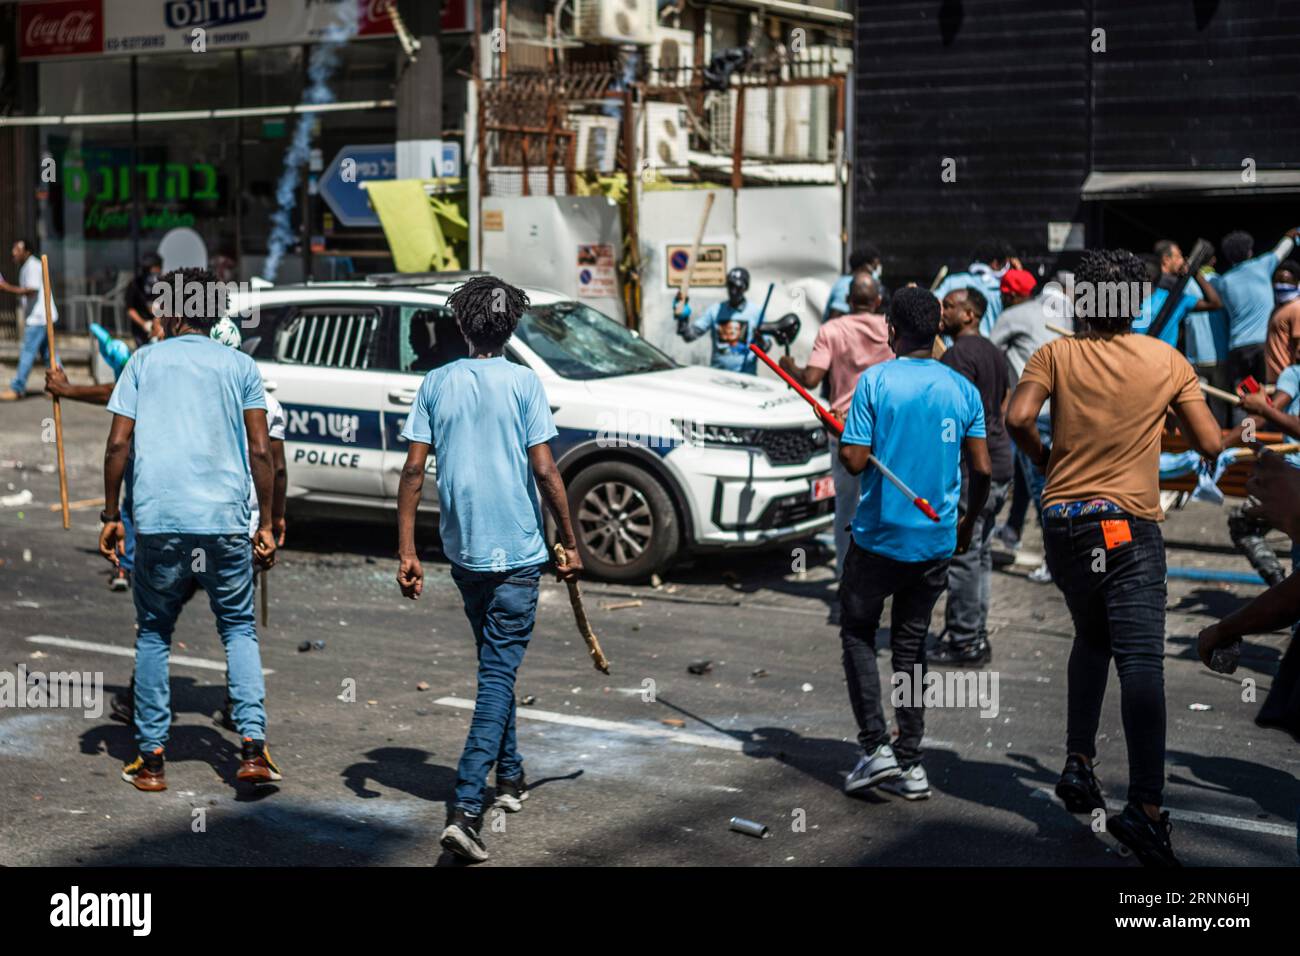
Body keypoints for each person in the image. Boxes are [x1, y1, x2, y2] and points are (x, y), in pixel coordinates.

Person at [1006, 248, 1223, 868]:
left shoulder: (1055, 355)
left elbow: (1018, 416)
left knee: (1092, 637)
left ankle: (1079, 762)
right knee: (1141, 662)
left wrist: (1047, 461)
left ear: (1083, 304)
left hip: (1065, 526)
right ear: (1139, 305)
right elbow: (1207, 441)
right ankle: (1147, 810)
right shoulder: (1167, 360)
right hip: (1128, 529)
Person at [395, 275, 582, 864]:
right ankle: (467, 808)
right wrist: (570, 541)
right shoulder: (524, 384)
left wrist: (406, 551)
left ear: (461, 323)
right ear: (511, 326)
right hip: (519, 553)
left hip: (465, 553)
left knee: (494, 665)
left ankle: (512, 775)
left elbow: (412, 472)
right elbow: (548, 471)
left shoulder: (436, 383)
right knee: (497, 675)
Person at [101, 268, 280, 793]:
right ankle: (251, 749)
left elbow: (117, 446)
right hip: (224, 521)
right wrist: (266, 522)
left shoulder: (142, 362)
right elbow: (261, 449)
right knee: (238, 628)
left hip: (158, 522)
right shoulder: (240, 367)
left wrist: (111, 515)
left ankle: (152, 759)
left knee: (155, 632)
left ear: (176, 312)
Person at [836, 287, 990, 802]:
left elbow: (855, 463)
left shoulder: (875, 381)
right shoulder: (961, 388)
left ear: (890, 330)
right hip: (935, 541)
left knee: (858, 632)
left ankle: (876, 747)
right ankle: (911, 762)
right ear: (939, 330)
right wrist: (966, 523)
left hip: (879, 539)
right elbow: (983, 469)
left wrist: (839, 436)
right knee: (910, 645)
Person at [779, 272, 893, 584]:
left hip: (844, 429)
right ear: (878, 300)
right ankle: (880, 574)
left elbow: (811, 379)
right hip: (885, 429)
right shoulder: (890, 328)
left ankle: (847, 575)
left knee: (847, 506)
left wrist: (790, 368)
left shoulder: (832, 330)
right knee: (883, 505)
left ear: (849, 301)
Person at [932, 287, 1012, 666]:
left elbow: (952, 409)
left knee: (964, 553)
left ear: (969, 314)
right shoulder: (994, 351)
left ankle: (964, 641)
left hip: (973, 467)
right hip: (1000, 462)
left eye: (948, 306)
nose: (942, 312)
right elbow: (1009, 397)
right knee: (979, 553)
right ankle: (974, 634)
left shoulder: (960, 355)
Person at [988, 268, 1069, 584]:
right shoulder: (1054, 311)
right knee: (1027, 475)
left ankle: (1054, 562)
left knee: (1041, 489)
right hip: (1060, 408)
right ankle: (1012, 530)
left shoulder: (1012, 316)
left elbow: (990, 355)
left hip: (1034, 411)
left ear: (1007, 295)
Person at [1216, 228, 1299, 402]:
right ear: (1249, 251)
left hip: (1236, 348)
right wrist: (1290, 235)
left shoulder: (1223, 281)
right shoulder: (1262, 265)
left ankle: (1247, 429)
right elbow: (1282, 250)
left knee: (1243, 398)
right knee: (1266, 397)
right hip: (1262, 346)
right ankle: (1264, 428)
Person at [674, 267, 766, 374]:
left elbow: (766, 347)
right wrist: (682, 318)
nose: (733, 291)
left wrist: (761, 342)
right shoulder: (715, 311)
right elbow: (689, 336)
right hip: (719, 377)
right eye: (731, 286)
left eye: (738, 287)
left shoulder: (756, 312)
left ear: (745, 288)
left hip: (746, 377)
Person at [0, 238, 59, 401]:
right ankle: (59, 385)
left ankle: (17, 387)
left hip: (38, 318)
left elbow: (31, 291)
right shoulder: (28, 266)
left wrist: (6, 288)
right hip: (42, 317)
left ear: (27, 252)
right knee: (50, 354)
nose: (14, 252)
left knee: (28, 352)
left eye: (17, 249)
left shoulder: (33, 266)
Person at [1136, 240, 1222, 347]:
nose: (1182, 261)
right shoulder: (1175, 291)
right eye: (1178, 256)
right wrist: (1194, 273)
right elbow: (1215, 303)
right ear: (1166, 260)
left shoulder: (1137, 291)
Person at [933, 237, 1018, 336]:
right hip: (989, 347)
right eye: (1005, 264)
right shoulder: (1003, 290)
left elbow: (935, 304)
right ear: (995, 264)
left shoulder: (952, 281)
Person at [1186, 255, 1233, 425]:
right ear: (1213, 260)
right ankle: (1219, 444)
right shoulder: (1223, 282)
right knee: (1219, 406)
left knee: (1197, 405)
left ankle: (1199, 445)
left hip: (1195, 355)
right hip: (1220, 354)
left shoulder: (1186, 284)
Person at [824, 244, 887, 321]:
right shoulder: (845, 286)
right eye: (874, 268)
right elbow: (834, 318)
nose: (875, 273)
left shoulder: (847, 281)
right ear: (864, 266)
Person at [1265, 259, 1300, 382]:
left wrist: (1294, 380)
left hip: (1288, 381)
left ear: (1296, 283)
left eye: (1284, 281)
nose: (1279, 285)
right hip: (1275, 380)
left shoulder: (1297, 308)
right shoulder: (1277, 309)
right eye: (1276, 281)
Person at [124, 253, 164, 348]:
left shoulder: (163, 283)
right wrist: (144, 324)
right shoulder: (135, 284)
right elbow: (130, 309)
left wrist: (157, 323)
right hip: (141, 329)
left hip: (160, 328)